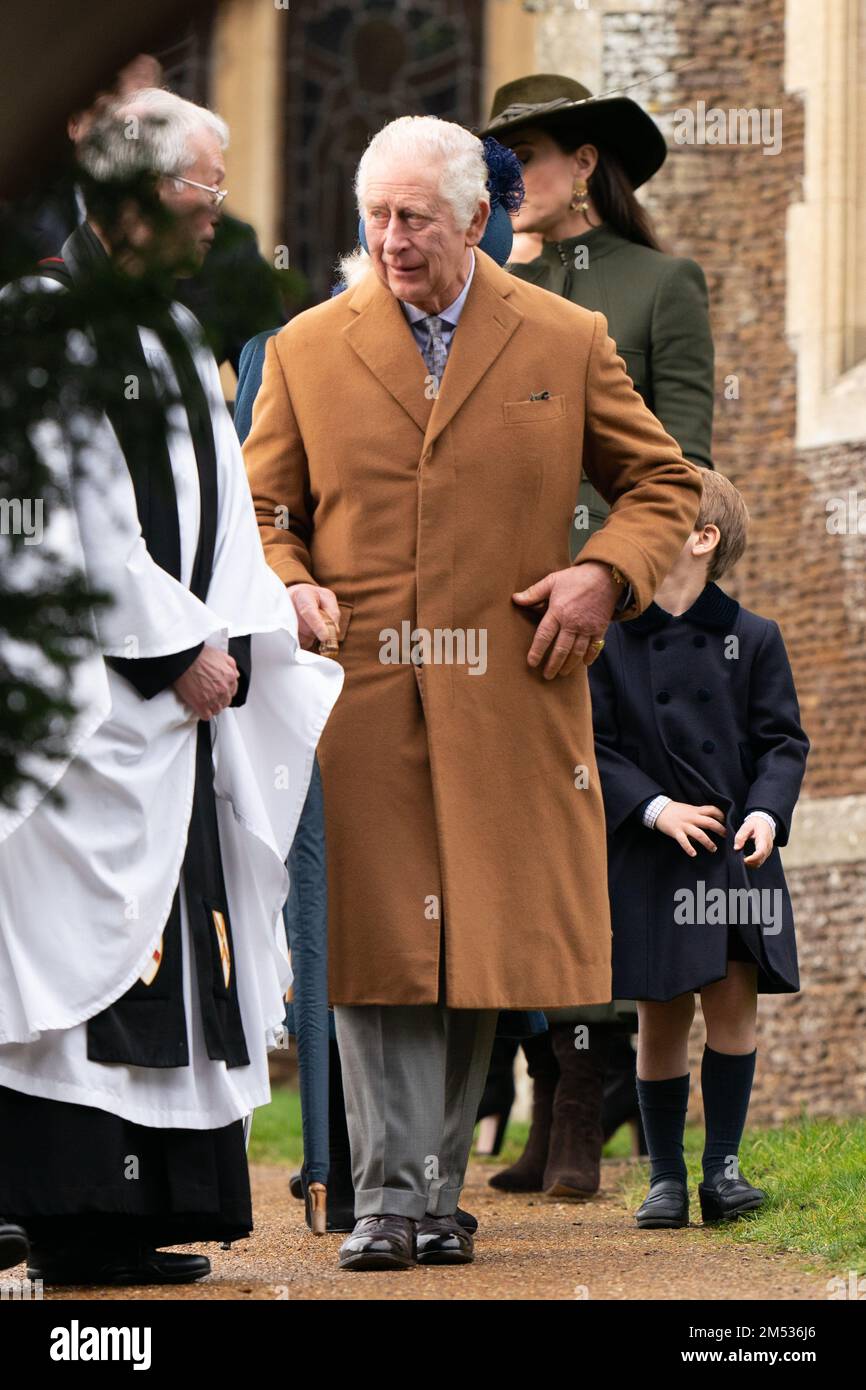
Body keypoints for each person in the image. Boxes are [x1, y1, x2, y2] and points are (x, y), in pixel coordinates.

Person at [244, 112, 703, 1271]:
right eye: (374, 219)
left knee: (476, 950)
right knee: (382, 948)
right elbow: (259, 514)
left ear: (475, 220)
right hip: (361, 691)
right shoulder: (305, 346)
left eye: (413, 220)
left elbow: (660, 483)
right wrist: (287, 581)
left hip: (512, 687)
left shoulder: (564, 335)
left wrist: (604, 574)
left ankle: (433, 1192)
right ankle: (394, 1196)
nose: (390, 242)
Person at [0, 88, 341, 1286]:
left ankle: (139, 1221)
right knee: (93, 955)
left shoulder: (169, 328)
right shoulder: (43, 321)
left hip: (183, 713)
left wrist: (262, 617)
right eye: (206, 190)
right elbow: (56, 516)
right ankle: (71, 1224)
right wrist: (164, 644)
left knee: (174, 952)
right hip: (104, 708)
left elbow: (218, 519)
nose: (219, 216)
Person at [480, 71, 716, 1195]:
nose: (510, 176)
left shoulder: (660, 282)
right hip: (488, 607)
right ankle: (543, 1088)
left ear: (583, 164)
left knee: (587, 847)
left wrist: (605, 568)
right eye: (500, 157)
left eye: (529, 154)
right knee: (504, 856)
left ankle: (586, 1094)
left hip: (606, 601)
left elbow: (684, 467)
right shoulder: (482, 290)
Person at [588, 470, 809, 1226]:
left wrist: (768, 816)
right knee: (660, 1013)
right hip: (653, 853)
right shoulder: (612, 640)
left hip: (735, 852)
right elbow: (593, 745)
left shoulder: (755, 638)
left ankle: (723, 1171)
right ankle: (666, 1179)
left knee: (733, 1003)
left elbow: (784, 742)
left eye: (655, 520)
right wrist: (653, 808)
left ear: (701, 539)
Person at [0, 53, 286, 372]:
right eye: (121, 107)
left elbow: (272, 381)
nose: (139, 127)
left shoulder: (214, 263)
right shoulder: (16, 240)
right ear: (75, 122)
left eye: (157, 106)